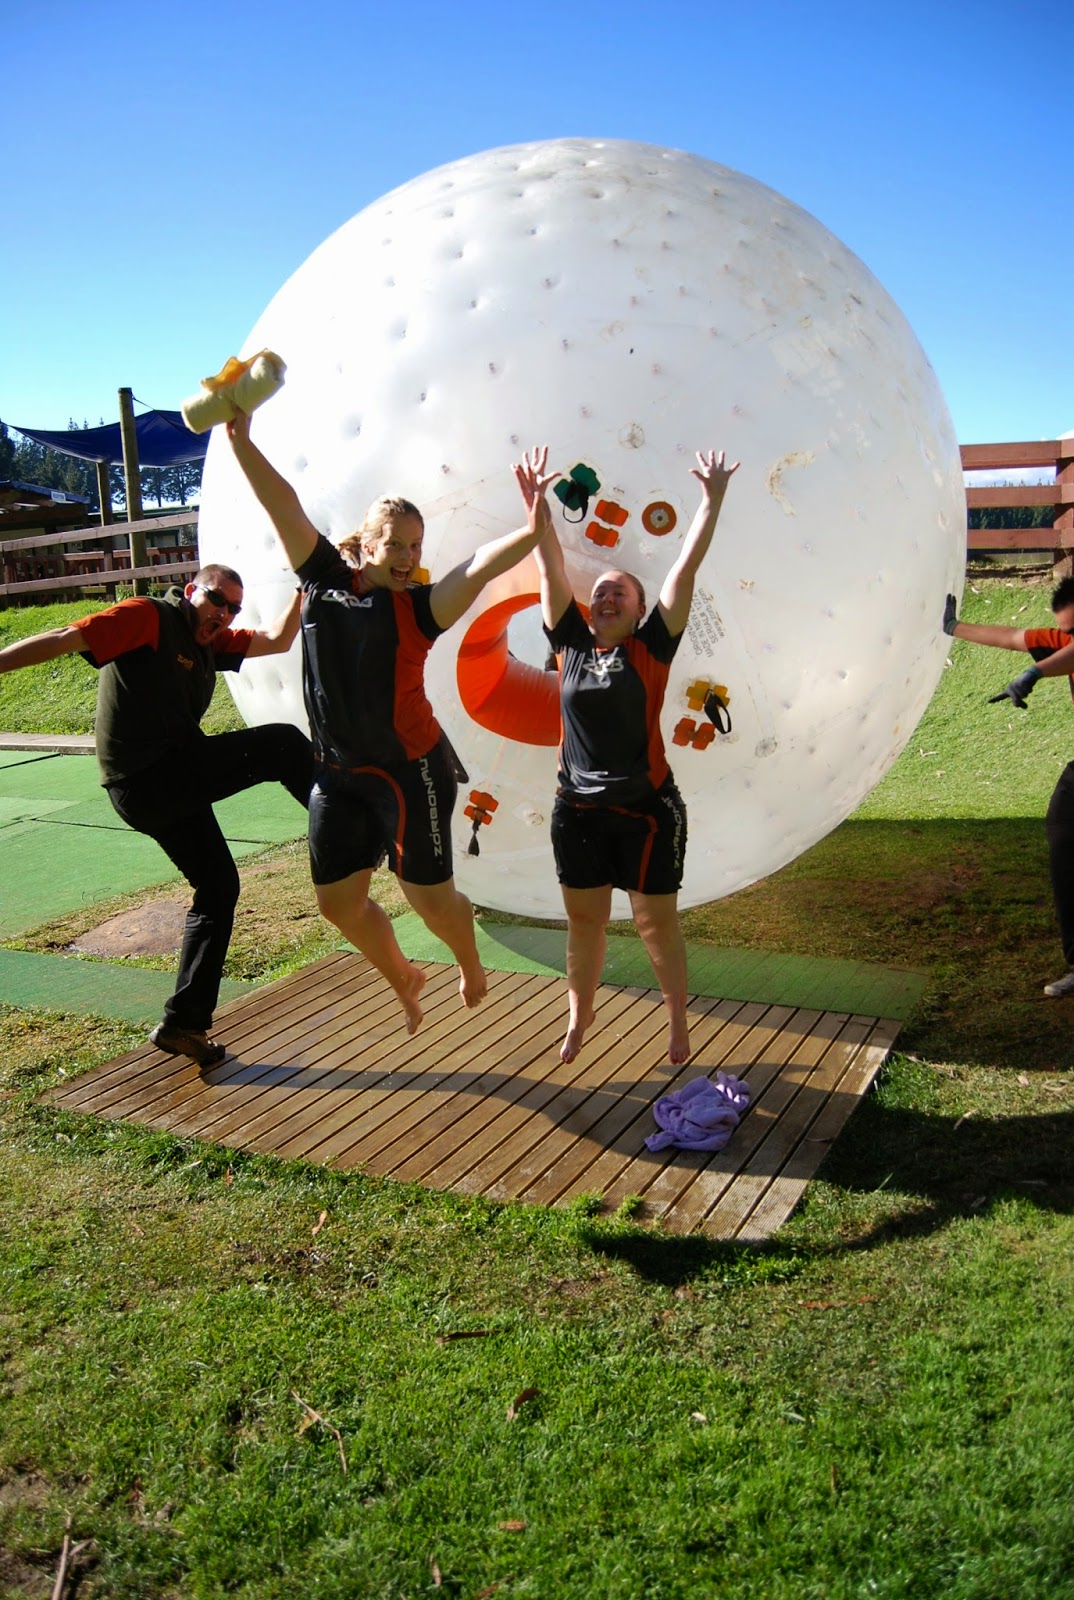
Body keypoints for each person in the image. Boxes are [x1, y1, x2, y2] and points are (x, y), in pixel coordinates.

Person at [226, 409, 556, 1034]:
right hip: (338, 774)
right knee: (339, 905)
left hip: (412, 773)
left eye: (416, 546)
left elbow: (481, 565)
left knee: (429, 900)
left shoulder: (420, 609)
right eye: (396, 544)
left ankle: (468, 960)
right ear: (369, 543)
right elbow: (285, 505)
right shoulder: (321, 578)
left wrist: (536, 524)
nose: (407, 557)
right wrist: (242, 443)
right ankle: (403, 974)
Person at [0, 567, 313, 1065]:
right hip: (148, 776)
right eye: (217, 601)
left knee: (218, 887)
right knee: (283, 744)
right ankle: (343, 831)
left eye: (234, 607)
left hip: (168, 782)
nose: (225, 614)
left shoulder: (212, 641)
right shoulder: (148, 617)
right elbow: (64, 638)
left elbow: (276, 638)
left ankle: (183, 1024)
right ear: (191, 591)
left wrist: (307, 585)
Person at [526, 448, 739, 1065]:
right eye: (599, 592)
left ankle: (678, 1024)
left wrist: (711, 500)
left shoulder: (652, 648)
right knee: (584, 924)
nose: (605, 596)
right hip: (578, 811)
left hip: (647, 812)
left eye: (618, 591)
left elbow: (686, 567)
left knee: (654, 925)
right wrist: (537, 506)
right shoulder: (567, 641)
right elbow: (549, 565)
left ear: (641, 610)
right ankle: (577, 1019)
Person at [945, 579, 1074, 997]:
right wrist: (954, 627)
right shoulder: (1063, 640)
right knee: (1063, 834)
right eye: (1065, 632)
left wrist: (1037, 672)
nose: (1066, 639)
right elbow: (1013, 637)